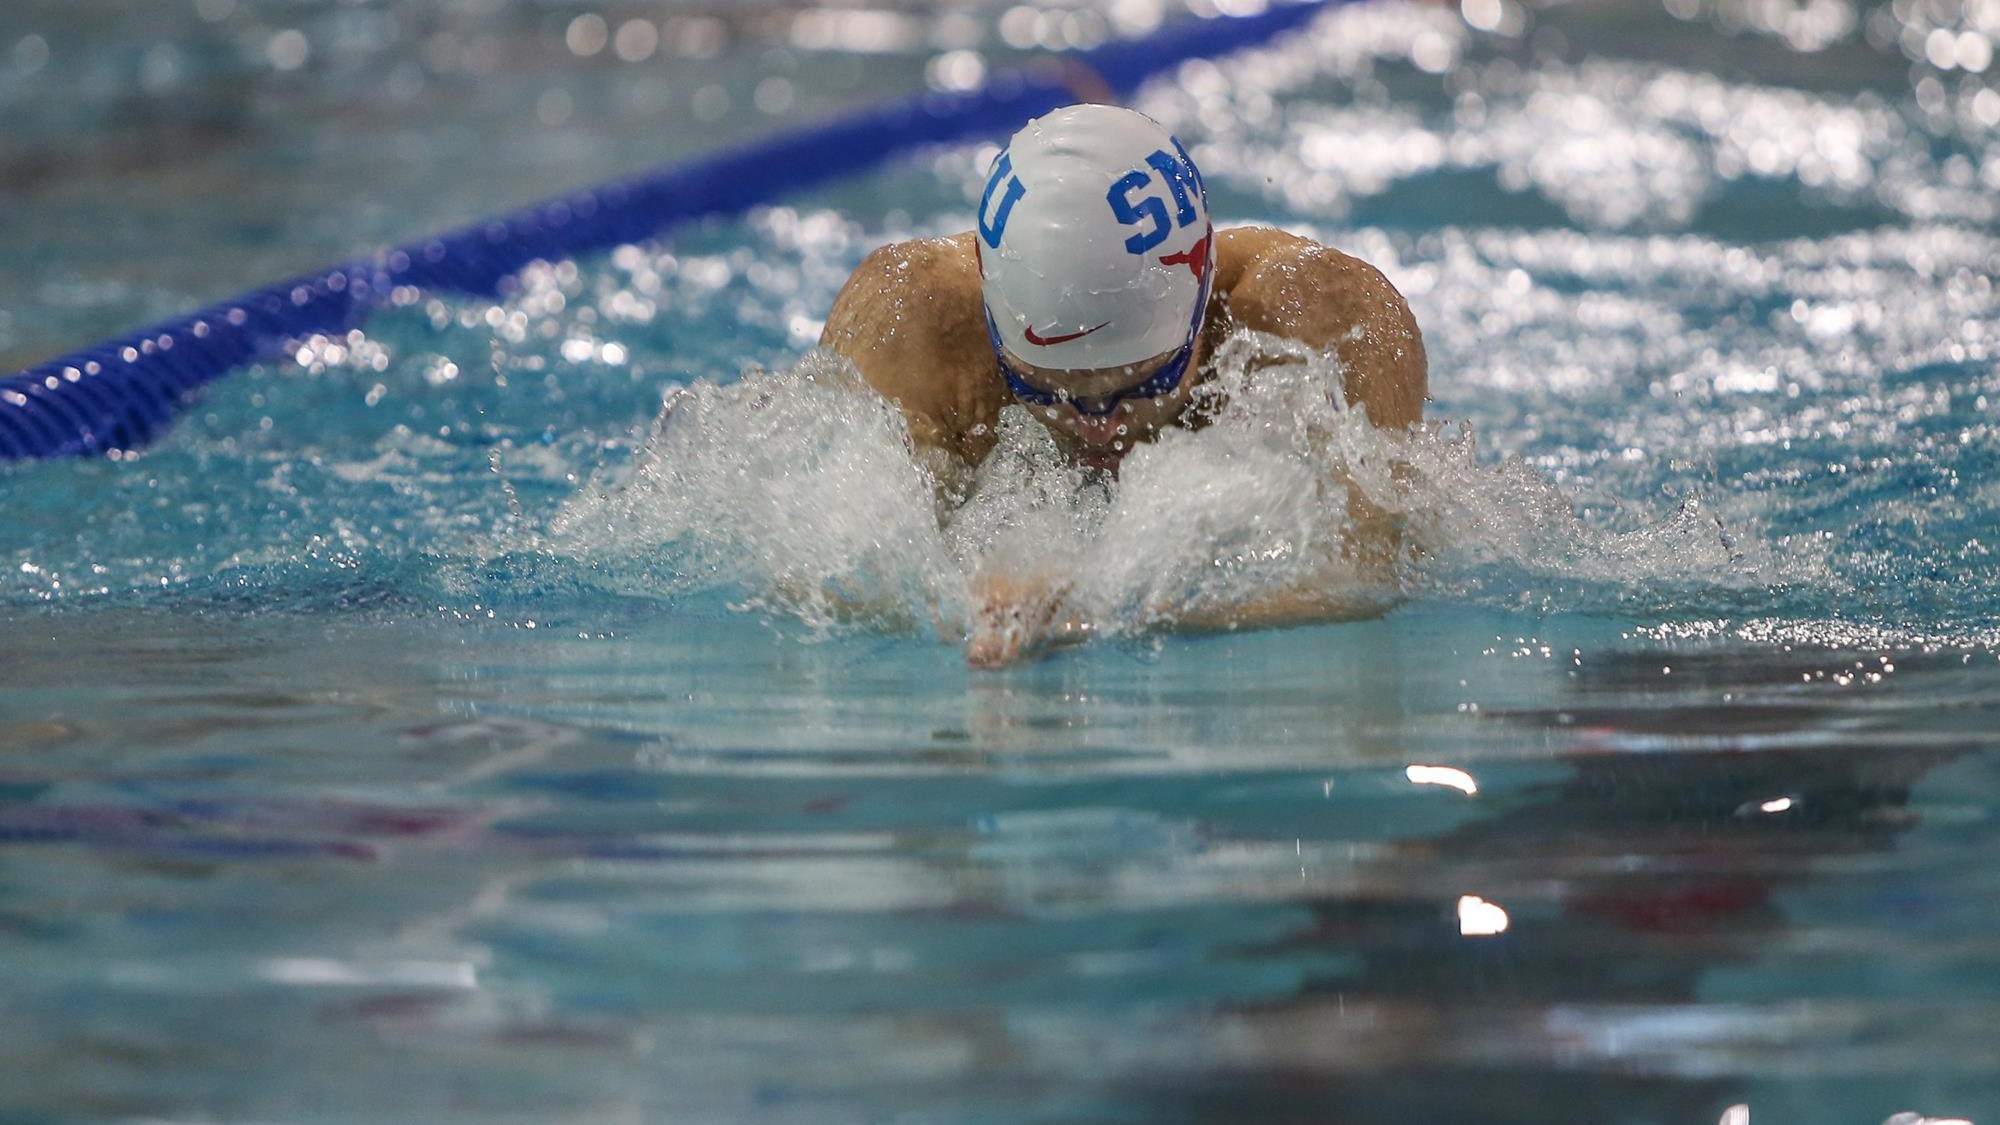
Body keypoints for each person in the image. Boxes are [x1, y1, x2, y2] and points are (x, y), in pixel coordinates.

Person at [819, 103, 1427, 666]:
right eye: (1043, 390)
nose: (1098, 424)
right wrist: (963, 605)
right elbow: (829, 573)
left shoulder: (1321, 326)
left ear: (1202, 305)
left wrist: (1101, 608)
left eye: (1144, 382)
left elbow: (1366, 576)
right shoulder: (913, 324)